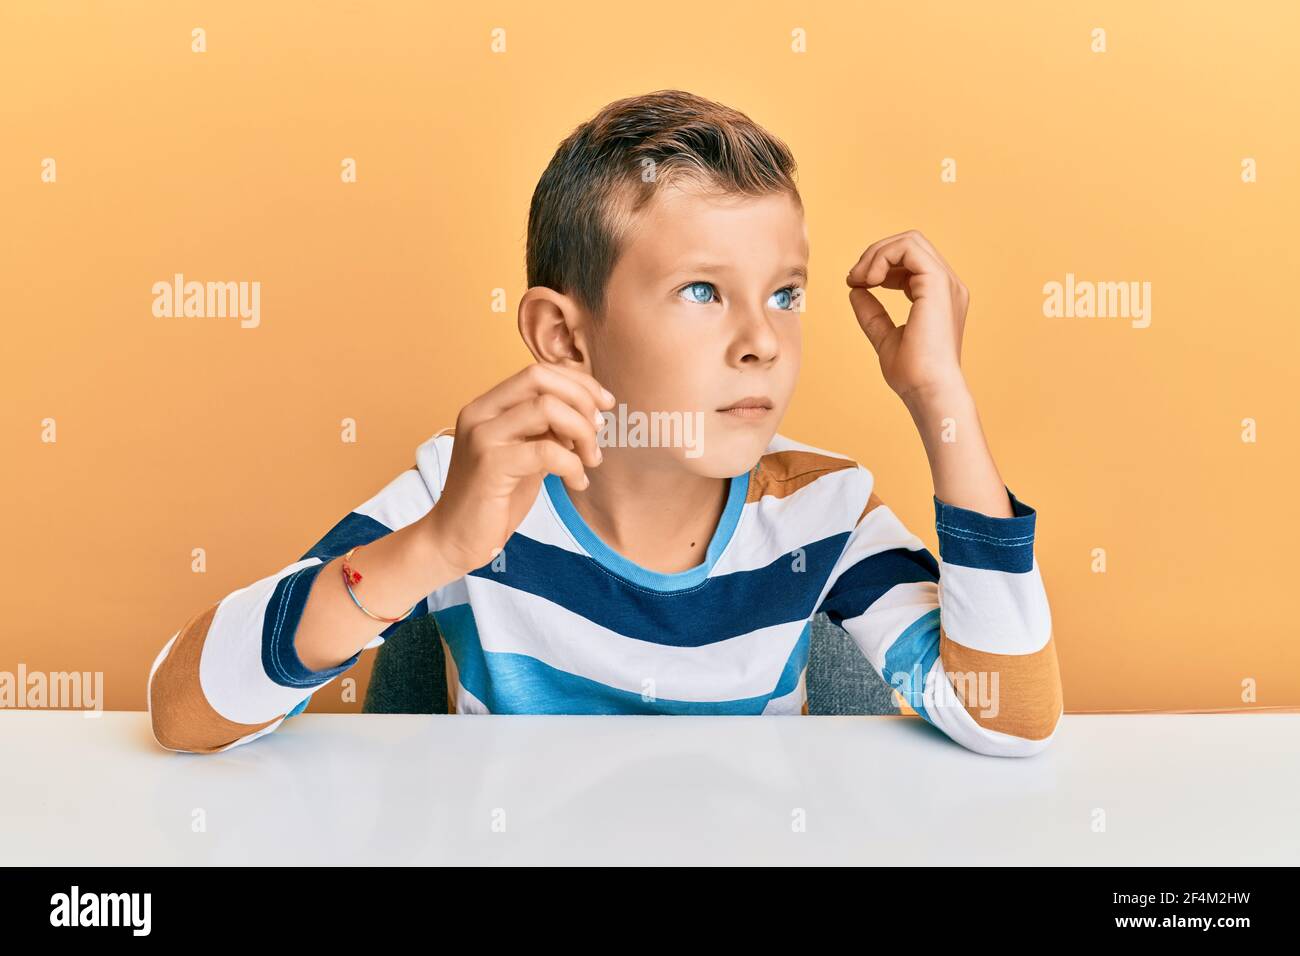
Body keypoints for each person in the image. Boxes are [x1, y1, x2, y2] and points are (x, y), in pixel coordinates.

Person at [148, 89, 1061, 757]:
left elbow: (1010, 718)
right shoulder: (462, 489)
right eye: (702, 290)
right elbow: (183, 709)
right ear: (563, 336)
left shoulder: (821, 509)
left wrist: (942, 400)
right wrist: (432, 547)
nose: (762, 342)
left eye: (785, 294)